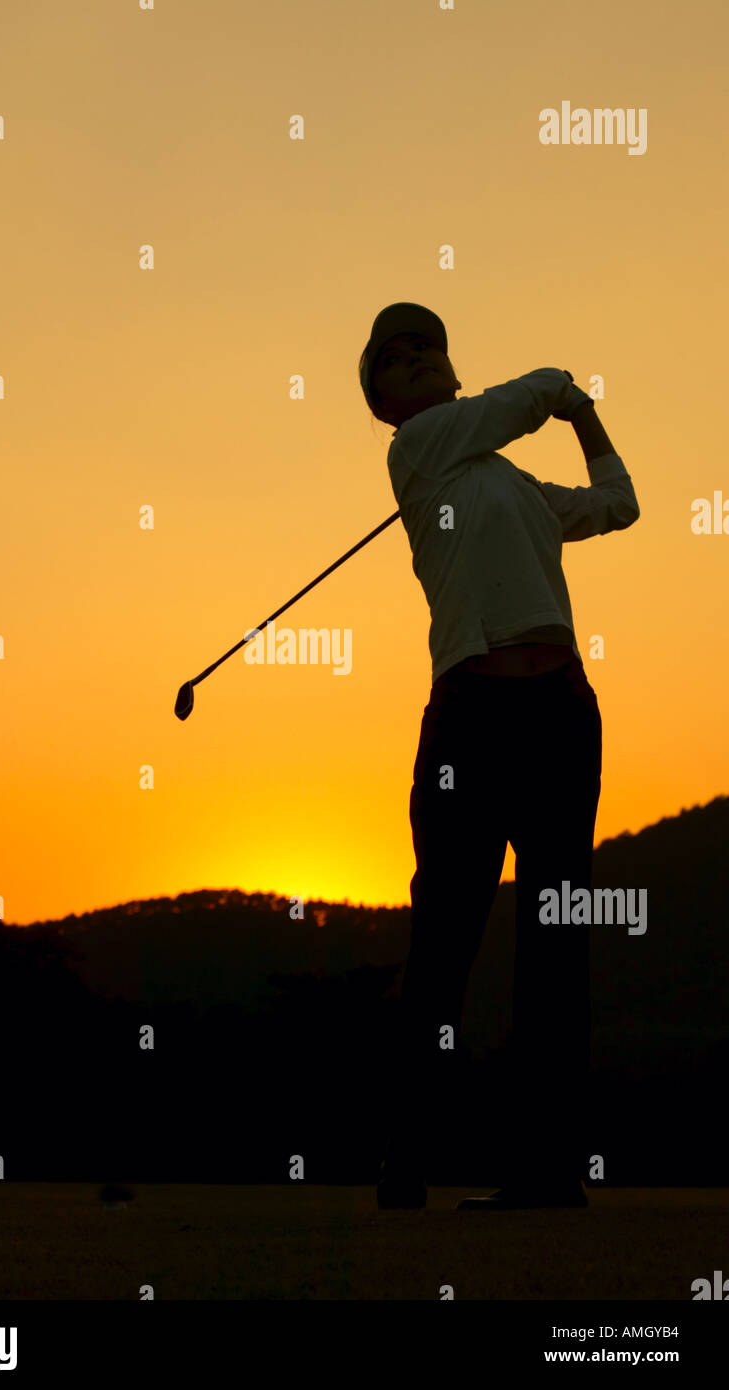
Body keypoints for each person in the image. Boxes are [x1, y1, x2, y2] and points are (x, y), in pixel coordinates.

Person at [358, 303, 640, 1210]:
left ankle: (548, 1173)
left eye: (425, 347)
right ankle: (407, 1161)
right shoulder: (416, 451)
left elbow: (617, 505)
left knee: (555, 941)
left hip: (560, 714)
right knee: (446, 935)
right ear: (383, 405)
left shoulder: (512, 485)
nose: (414, 358)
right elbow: (520, 401)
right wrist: (558, 386)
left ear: (449, 368)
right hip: (471, 719)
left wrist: (584, 414)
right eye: (393, 358)